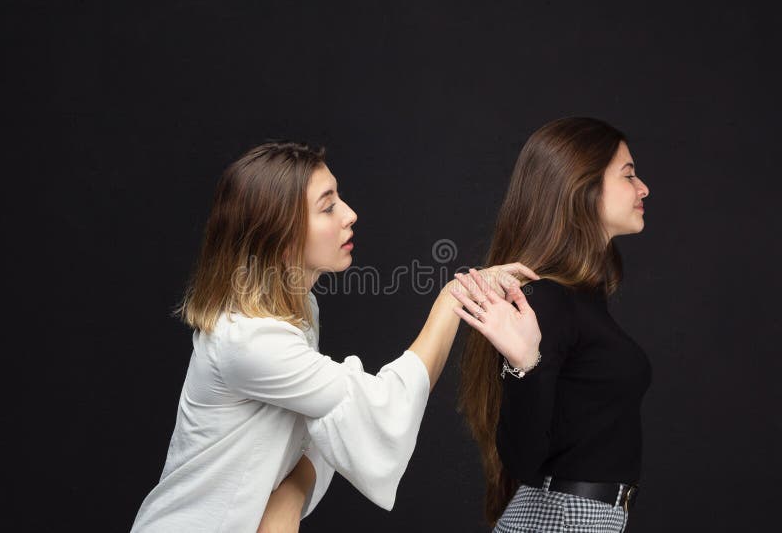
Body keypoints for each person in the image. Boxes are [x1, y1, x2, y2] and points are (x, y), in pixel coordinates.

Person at [130, 141, 542, 532]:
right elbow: (380, 409)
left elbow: (327, 428)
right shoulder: (248, 340)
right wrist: (453, 296)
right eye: (327, 207)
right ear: (280, 236)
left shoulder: (300, 311)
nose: (350, 214)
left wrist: (290, 494)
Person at [453, 117, 652, 533]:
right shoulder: (545, 300)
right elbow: (523, 459)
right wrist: (524, 364)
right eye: (629, 175)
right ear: (583, 186)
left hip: (585, 518)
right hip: (564, 519)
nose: (643, 188)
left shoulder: (581, 298)